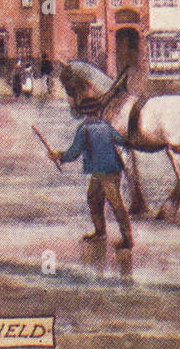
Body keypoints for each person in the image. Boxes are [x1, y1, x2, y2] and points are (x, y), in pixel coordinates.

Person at [51, 97, 135, 250]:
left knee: (115, 203)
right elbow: (121, 140)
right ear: (97, 111)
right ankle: (100, 232)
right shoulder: (106, 126)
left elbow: (73, 153)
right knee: (93, 197)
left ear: (84, 113)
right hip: (111, 169)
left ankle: (127, 239)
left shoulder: (84, 129)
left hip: (105, 171)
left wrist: (59, 156)